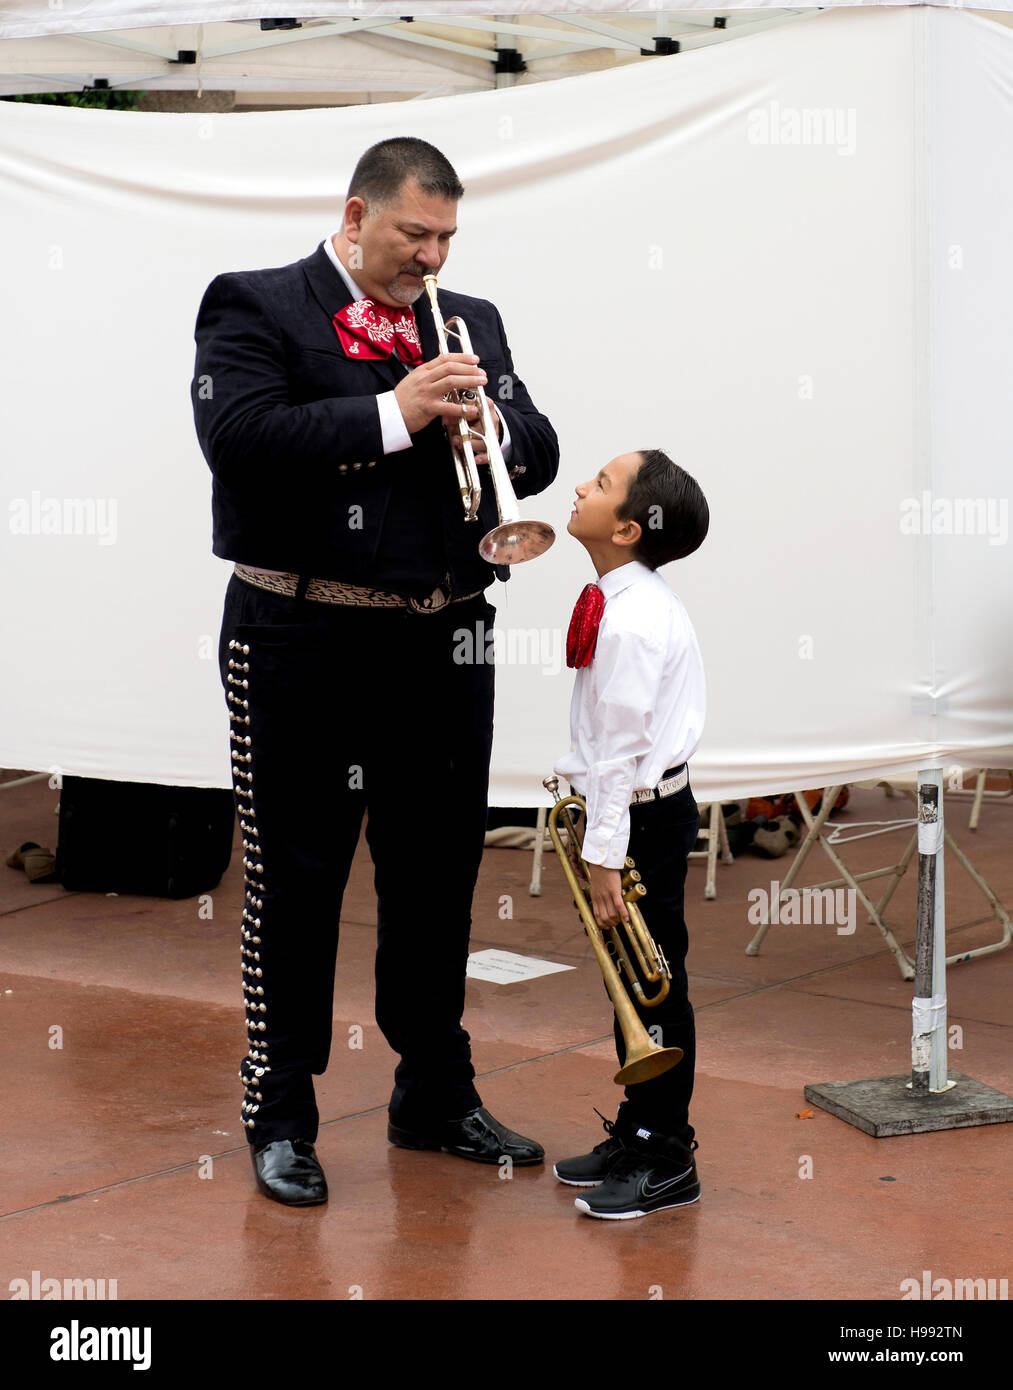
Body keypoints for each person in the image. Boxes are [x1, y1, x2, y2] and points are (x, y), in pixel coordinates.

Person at [190, 137, 559, 1206]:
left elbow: (533, 446)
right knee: (296, 878)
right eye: (413, 234)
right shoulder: (254, 305)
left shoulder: (469, 320)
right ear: (355, 216)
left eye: (446, 236)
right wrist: (397, 416)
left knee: (438, 869)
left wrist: (491, 421)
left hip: (445, 634)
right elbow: (242, 438)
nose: (431, 257)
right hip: (300, 632)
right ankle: (281, 1110)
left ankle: (433, 1091)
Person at [551, 449, 709, 1219]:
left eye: (600, 482)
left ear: (623, 527)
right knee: (635, 981)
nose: (579, 485)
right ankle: (640, 1130)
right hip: (635, 809)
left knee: (652, 984)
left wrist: (601, 854)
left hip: (639, 816)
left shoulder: (634, 619)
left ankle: (665, 1155)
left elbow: (619, 748)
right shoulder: (626, 597)